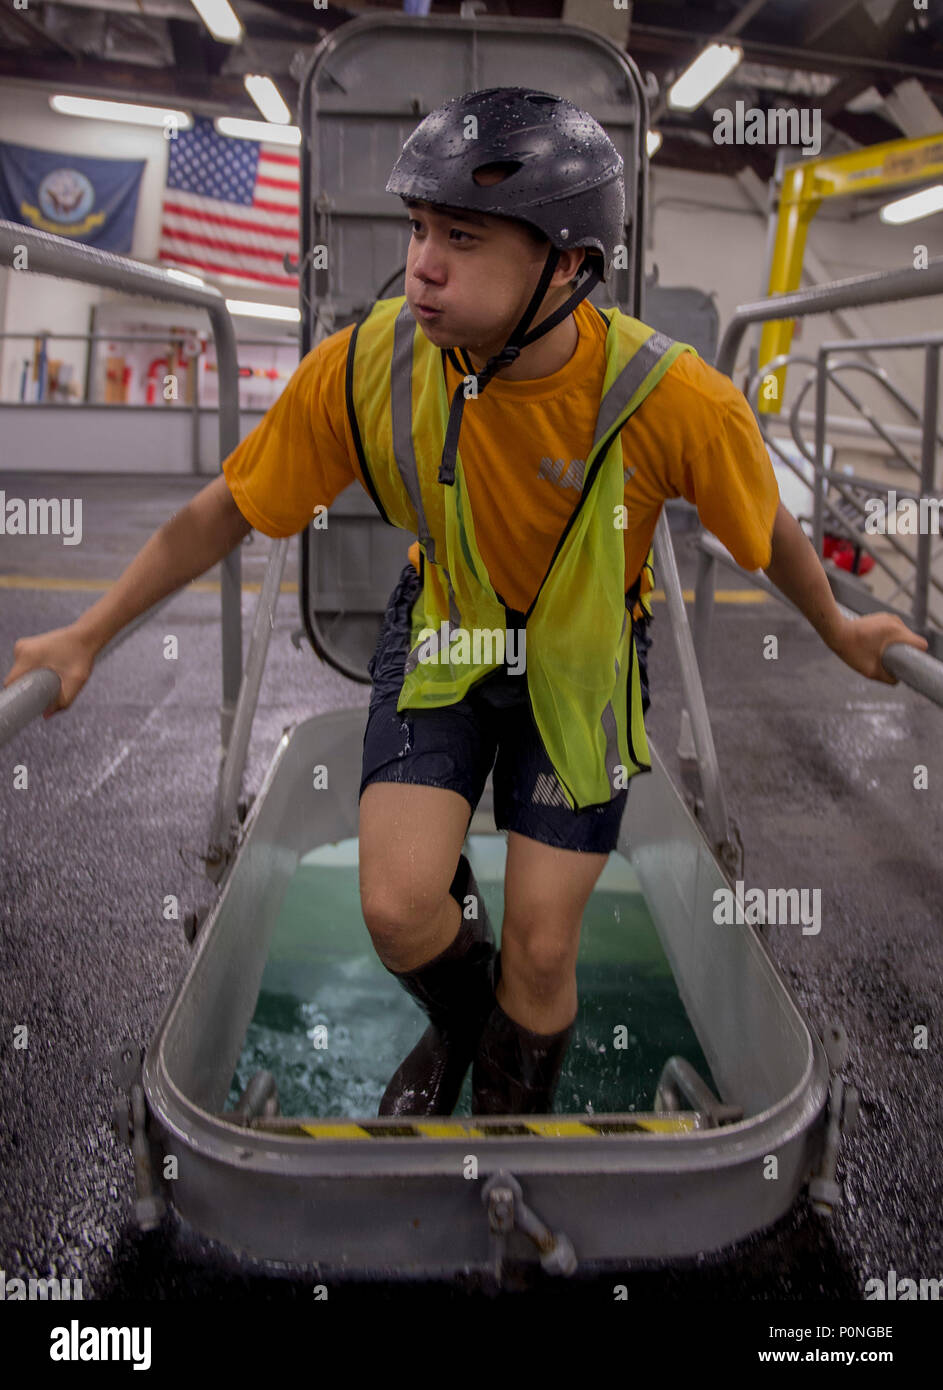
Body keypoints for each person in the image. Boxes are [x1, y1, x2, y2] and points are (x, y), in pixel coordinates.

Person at [4, 88, 928, 1122]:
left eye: (463, 237)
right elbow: (222, 512)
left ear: (569, 266)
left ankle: (499, 1116)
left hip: (582, 662)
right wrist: (89, 632)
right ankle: (459, 1024)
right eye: (418, 229)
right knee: (401, 909)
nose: (422, 264)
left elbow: (771, 538)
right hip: (444, 628)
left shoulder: (675, 399)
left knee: (543, 945)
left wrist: (842, 626)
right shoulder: (369, 366)